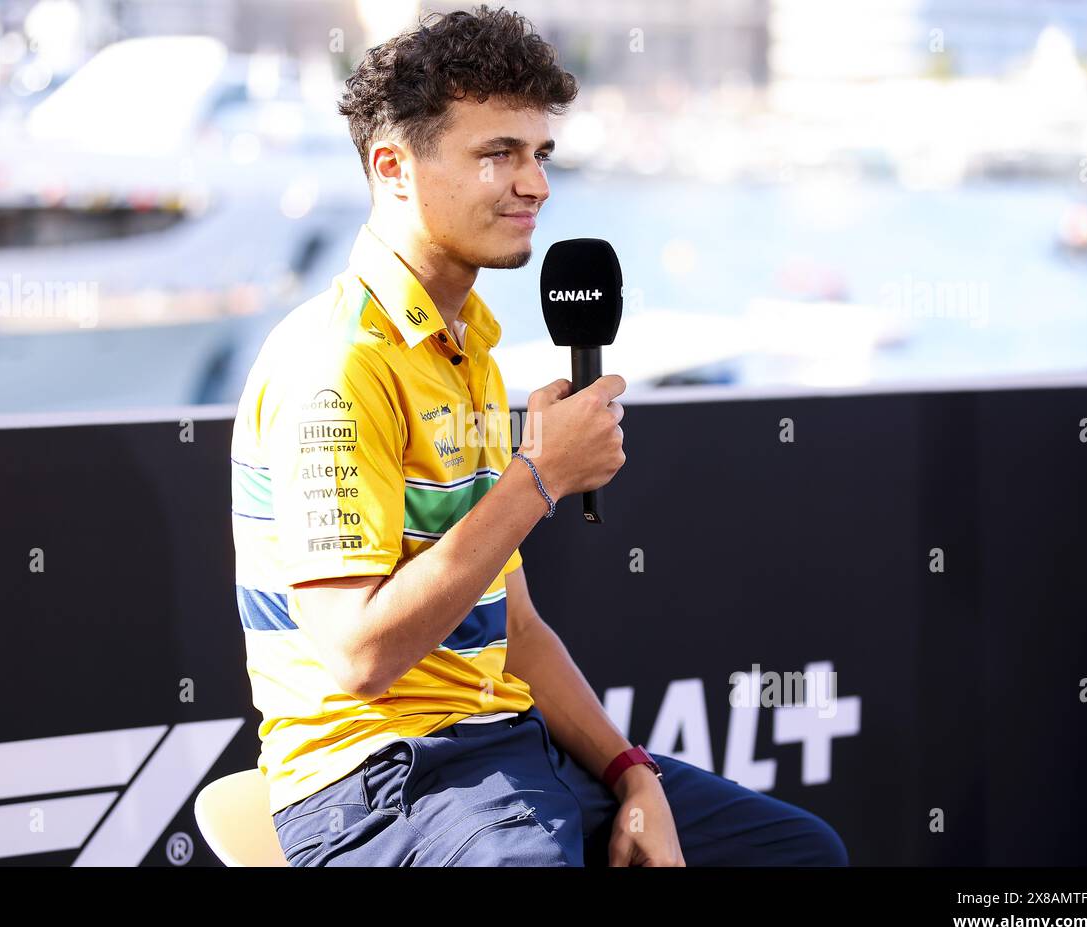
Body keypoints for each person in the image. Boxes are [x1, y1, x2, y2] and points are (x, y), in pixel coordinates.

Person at [230, 5, 848, 867]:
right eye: (499, 155)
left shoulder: (468, 347)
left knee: (797, 852)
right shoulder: (336, 363)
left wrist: (634, 774)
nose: (537, 185)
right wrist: (539, 477)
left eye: (539, 153)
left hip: (507, 751)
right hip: (375, 785)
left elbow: (513, 628)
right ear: (394, 168)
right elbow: (356, 655)